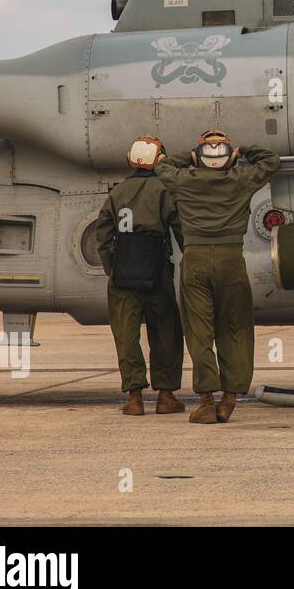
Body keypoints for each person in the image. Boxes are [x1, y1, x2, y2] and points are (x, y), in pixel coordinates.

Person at [156, 130, 280, 425]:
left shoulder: (184, 179)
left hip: (195, 258)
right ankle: (229, 399)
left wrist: (189, 156)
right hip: (231, 260)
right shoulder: (241, 179)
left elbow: (160, 165)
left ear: (198, 157)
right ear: (229, 158)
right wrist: (243, 150)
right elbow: (271, 160)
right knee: (235, 329)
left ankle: (206, 402)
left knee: (199, 333)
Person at [93, 135, 187, 416]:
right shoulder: (164, 190)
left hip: (123, 273)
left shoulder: (116, 192)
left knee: (126, 335)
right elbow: (180, 229)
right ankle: (166, 395)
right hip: (156, 271)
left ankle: (134, 397)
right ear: (159, 159)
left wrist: (114, 270)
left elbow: (102, 238)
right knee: (165, 331)